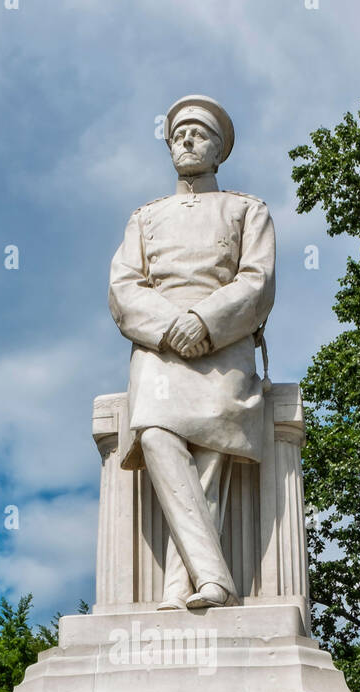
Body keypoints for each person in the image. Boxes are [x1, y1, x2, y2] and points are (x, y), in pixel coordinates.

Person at [109, 95, 276, 610]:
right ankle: (213, 575)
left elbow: (258, 281)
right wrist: (170, 326)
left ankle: (183, 589)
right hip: (160, 350)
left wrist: (204, 321)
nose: (186, 140)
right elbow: (123, 289)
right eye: (178, 133)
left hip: (223, 347)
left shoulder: (248, 210)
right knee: (157, 434)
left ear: (219, 149)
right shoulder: (144, 217)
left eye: (199, 133)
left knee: (208, 453)